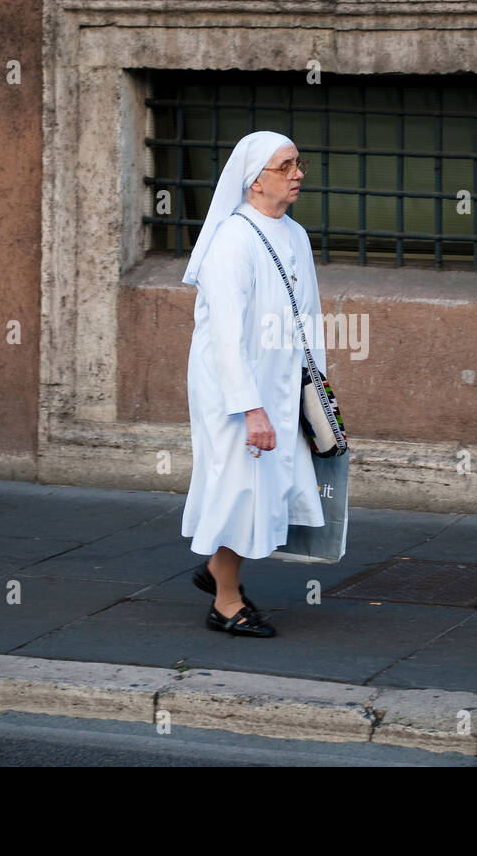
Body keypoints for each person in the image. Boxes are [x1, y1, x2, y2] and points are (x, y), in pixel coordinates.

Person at [180, 130, 328, 638]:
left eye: (297, 163)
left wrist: (317, 394)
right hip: (232, 390)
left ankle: (218, 570)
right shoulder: (232, 242)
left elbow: (308, 318)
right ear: (254, 181)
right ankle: (225, 602)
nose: (298, 174)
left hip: (280, 384)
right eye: (286, 166)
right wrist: (252, 408)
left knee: (265, 486)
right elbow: (224, 335)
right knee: (239, 488)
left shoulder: (295, 234)